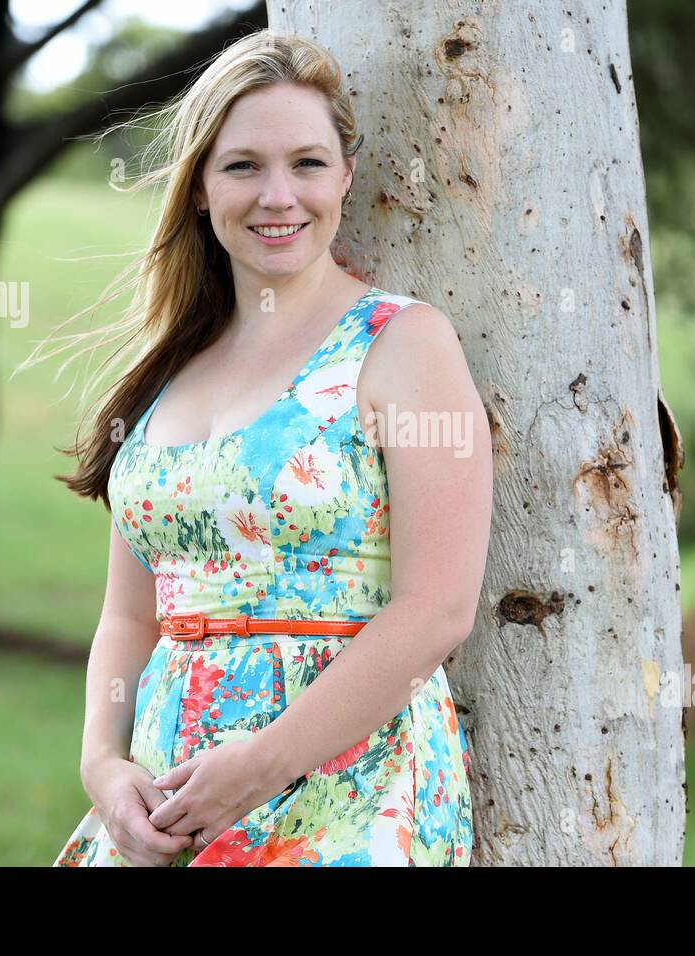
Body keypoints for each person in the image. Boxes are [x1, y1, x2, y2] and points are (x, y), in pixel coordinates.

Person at [32, 29, 492, 866]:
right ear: (201, 189)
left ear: (346, 175)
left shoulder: (402, 344)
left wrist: (257, 769)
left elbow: (436, 612)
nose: (278, 195)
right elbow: (131, 615)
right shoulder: (167, 367)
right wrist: (103, 763)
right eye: (243, 165)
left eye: (308, 163)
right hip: (167, 798)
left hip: (350, 792)